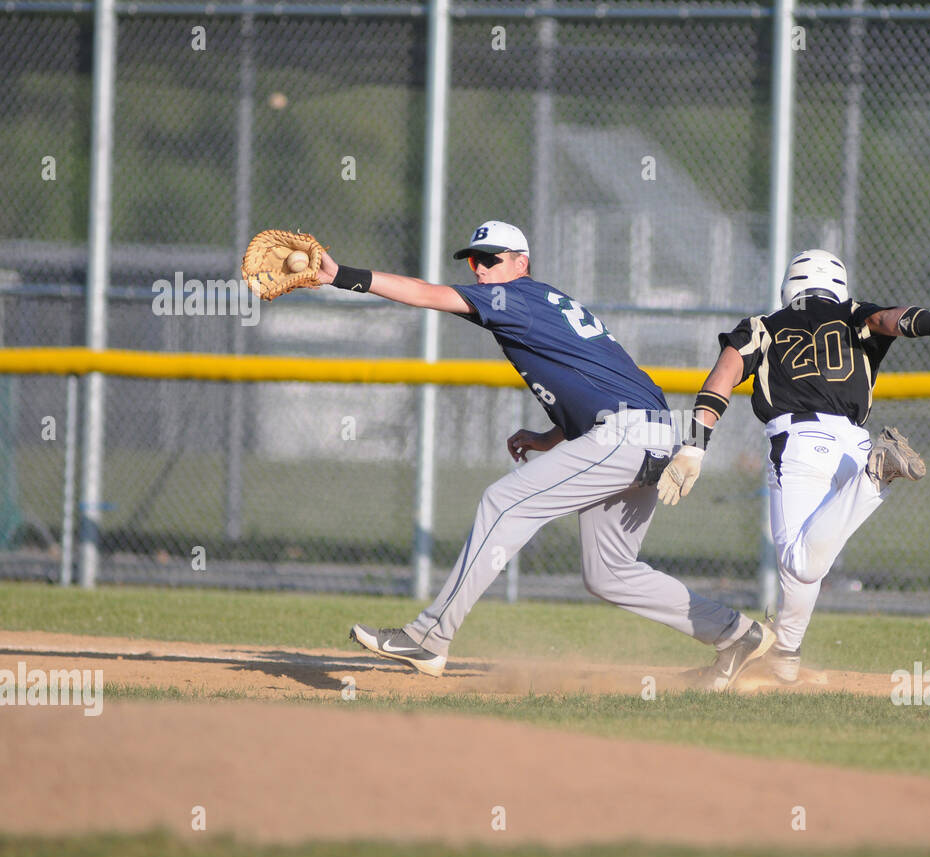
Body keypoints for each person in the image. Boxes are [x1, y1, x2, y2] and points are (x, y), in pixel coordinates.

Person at [316, 220, 774, 690]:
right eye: (474, 261)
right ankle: (738, 634)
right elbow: (598, 384)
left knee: (504, 501)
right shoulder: (547, 303)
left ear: (521, 263)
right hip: (646, 432)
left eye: (491, 259)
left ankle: (430, 636)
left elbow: (427, 294)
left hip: (628, 434)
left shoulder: (514, 297)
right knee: (609, 573)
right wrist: (549, 437)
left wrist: (342, 276)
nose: (480, 270)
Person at [656, 249, 930, 684]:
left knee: (799, 562)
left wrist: (694, 448)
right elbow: (893, 320)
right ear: (839, 286)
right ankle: (785, 655)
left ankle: (876, 475)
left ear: (789, 286)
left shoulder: (764, 325)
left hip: (798, 443)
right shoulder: (852, 313)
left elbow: (723, 374)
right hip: (853, 442)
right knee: (813, 550)